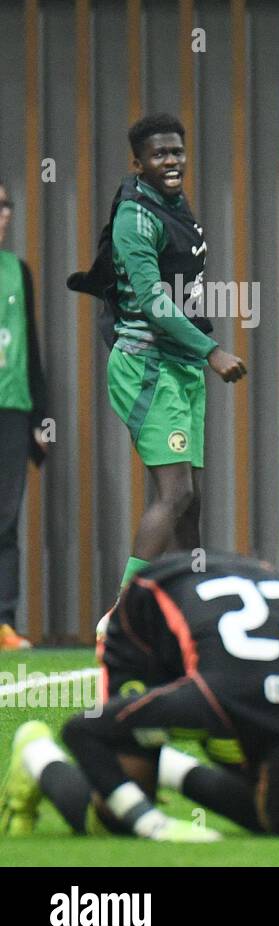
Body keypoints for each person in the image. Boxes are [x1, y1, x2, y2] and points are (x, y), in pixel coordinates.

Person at [0, 551, 279, 840]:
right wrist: (149, 823)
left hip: (254, 577)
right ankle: (35, 755)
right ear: (261, 780)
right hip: (151, 606)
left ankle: (165, 763)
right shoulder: (214, 702)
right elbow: (83, 730)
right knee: (115, 818)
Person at [67, 114, 247, 639]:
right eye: (160, 154)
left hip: (180, 365)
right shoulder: (135, 216)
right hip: (147, 365)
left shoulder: (175, 206)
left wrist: (198, 354)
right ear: (138, 162)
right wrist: (212, 350)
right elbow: (151, 301)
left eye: (178, 152)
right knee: (173, 494)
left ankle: (193, 614)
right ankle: (124, 613)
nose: (172, 162)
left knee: (190, 502)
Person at [0, 180, 48, 651]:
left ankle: (3, 622)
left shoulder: (19, 271)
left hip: (12, 410)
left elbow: (30, 347)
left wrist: (42, 416)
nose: (4, 214)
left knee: (6, 519)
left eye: (6, 204)